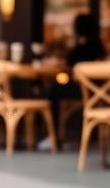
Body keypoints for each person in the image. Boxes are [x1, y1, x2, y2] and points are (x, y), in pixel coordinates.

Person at [37, 14, 105, 150]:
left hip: (81, 89)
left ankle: (53, 135)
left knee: (51, 92)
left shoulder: (81, 48)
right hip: (99, 91)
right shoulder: (98, 46)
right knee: (54, 90)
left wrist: (56, 63)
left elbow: (69, 67)